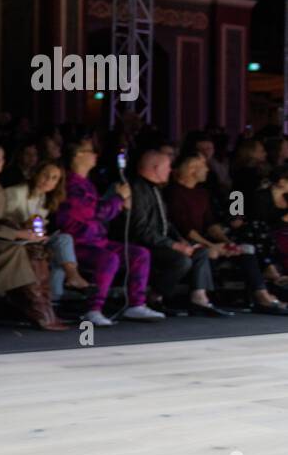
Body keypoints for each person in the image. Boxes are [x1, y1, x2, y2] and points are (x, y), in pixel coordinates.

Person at [54, 137, 160, 327]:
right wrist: (118, 199)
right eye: (91, 151)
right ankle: (93, 309)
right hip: (79, 243)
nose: (96, 155)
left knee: (140, 254)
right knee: (109, 259)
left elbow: (100, 211)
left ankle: (136, 303)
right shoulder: (71, 184)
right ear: (78, 156)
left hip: (97, 240)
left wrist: (118, 202)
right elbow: (95, 213)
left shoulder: (87, 183)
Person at [167, 153, 288, 315]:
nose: (208, 170)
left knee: (245, 248)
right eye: (203, 166)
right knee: (254, 229)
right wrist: (213, 245)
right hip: (186, 240)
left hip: (221, 237)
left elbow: (211, 224)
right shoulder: (175, 193)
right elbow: (185, 228)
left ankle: (262, 294)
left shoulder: (202, 193)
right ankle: (267, 278)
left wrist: (228, 243)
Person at [124, 150, 234, 317]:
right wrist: (174, 245)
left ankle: (199, 297)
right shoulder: (138, 189)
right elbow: (140, 230)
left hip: (161, 242)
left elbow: (166, 222)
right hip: (145, 245)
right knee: (181, 260)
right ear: (155, 167)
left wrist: (181, 240)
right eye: (167, 166)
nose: (170, 170)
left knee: (200, 252)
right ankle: (155, 296)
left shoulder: (156, 188)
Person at [0, 143, 67, 330]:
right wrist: (18, 232)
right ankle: (40, 309)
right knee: (27, 252)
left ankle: (42, 307)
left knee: (36, 250)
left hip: (3, 234)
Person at [3, 159, 89, 303]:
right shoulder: (16, 192)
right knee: (60, 247)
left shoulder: (44, 199)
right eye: (45, 174)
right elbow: (1, 220)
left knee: (63, 243)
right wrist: (23, 226)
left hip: (33, 239)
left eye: (54, 178)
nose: (48, 180)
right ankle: (70, 280)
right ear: (36, 174)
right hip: (14, 239)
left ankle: (55, 296)